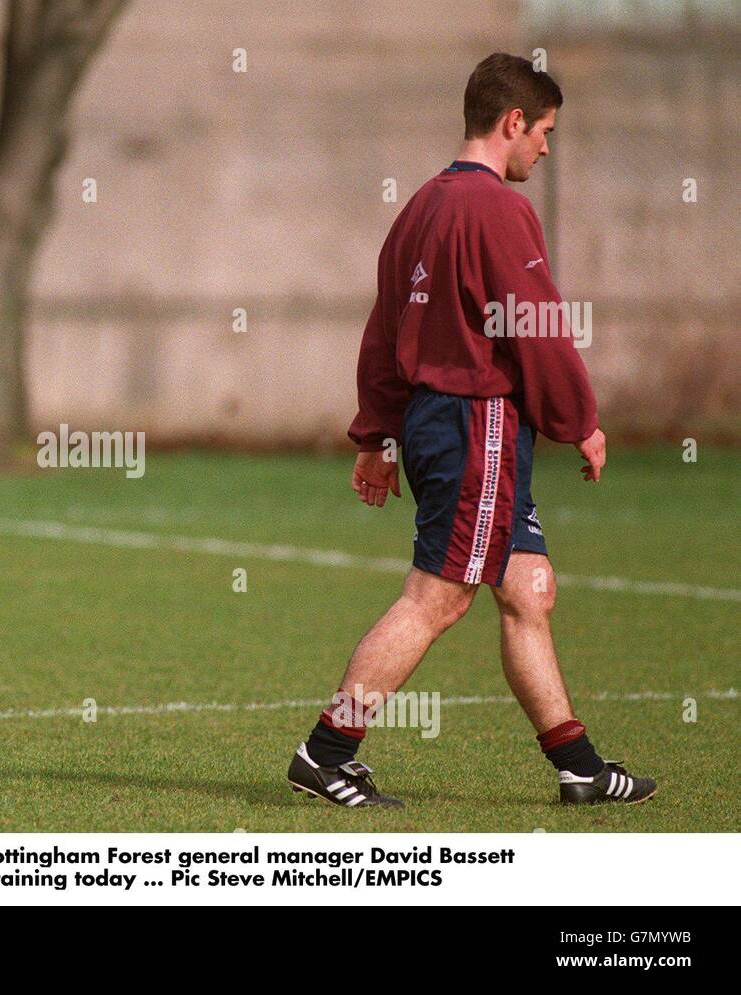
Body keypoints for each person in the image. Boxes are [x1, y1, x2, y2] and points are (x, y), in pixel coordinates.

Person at [287, 53, 655, 807]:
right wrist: (579, 419)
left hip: (438, 422)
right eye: (545, 131)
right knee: (438, 597)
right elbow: (537, 327)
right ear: (512, 121)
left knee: (527, 589)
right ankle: (327, 751)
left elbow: (384, 330)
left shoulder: (420, 206)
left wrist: (377, 435)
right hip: (476, 422)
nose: (547, 149)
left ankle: (578, 765)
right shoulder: (499, 209)